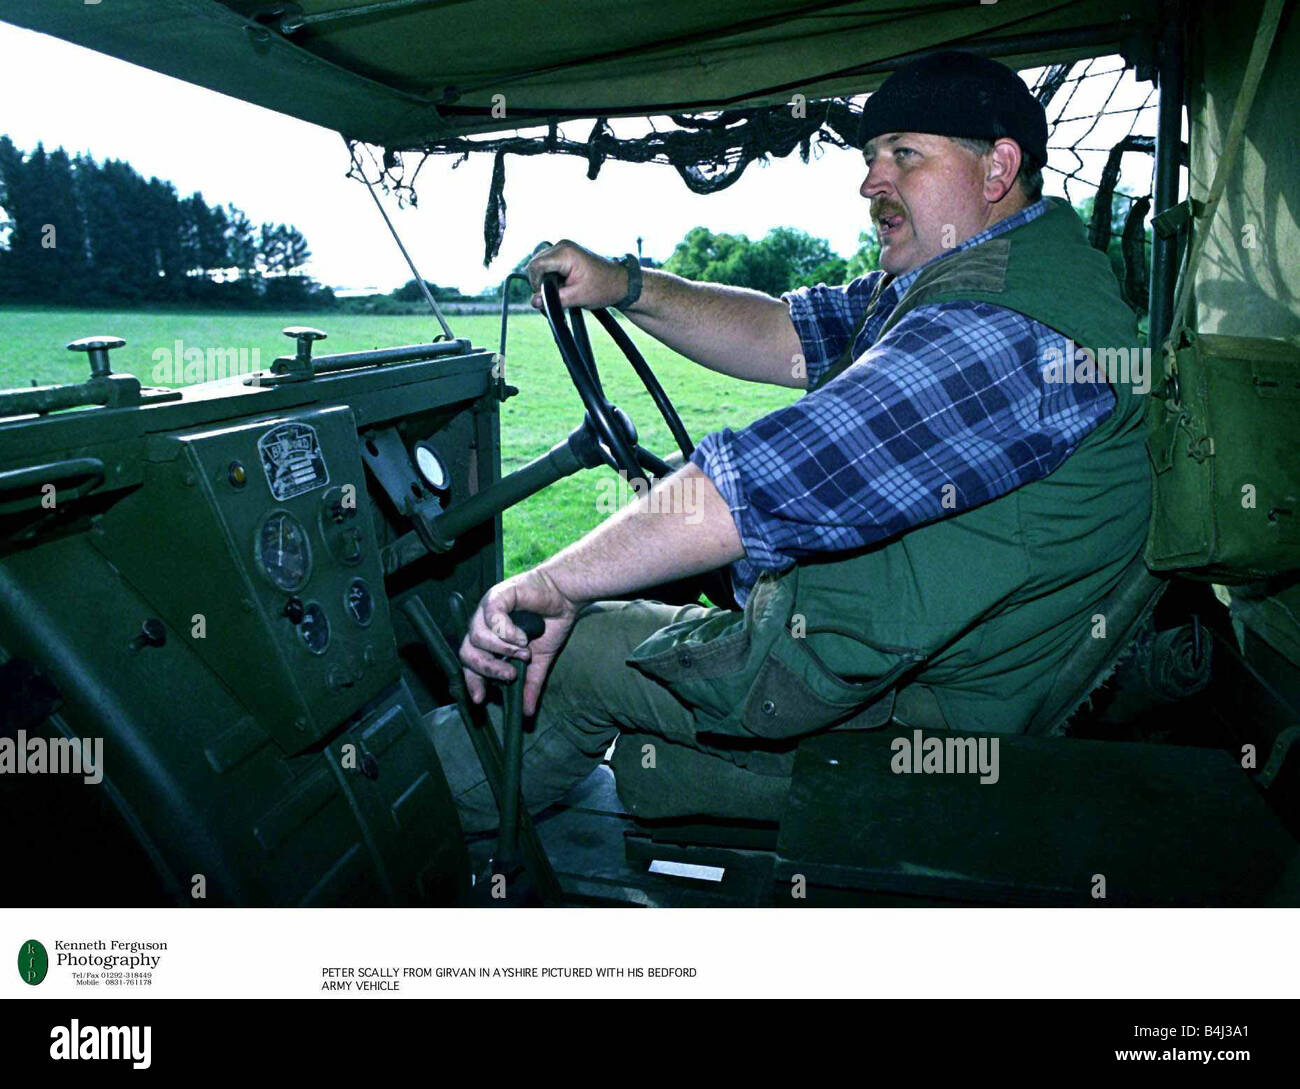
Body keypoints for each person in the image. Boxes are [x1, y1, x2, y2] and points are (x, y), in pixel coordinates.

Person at [439, 51, 1150, 831]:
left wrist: (552, 583)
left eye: (904, 154)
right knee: (654, 536)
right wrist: (627, 286)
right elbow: (787, 331)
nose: (872, 182)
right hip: (918, 663)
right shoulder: (974, 275)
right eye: (871, 157)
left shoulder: (1003, 334)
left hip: (920, 722)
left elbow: (763, 485)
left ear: (996, 168)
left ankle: (417, 822)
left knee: (577, 653)